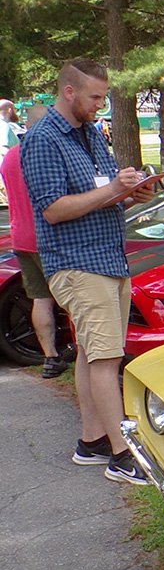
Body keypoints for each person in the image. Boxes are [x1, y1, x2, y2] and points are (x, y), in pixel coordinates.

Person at [21, 58, 156, 484]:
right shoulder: (43, 139)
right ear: (69, 92)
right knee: (106, 358)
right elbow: (53, 209)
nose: (101, 105)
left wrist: (128, 194)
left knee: (91, 353)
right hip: (77, 263)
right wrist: (113, 189)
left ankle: (92, 441)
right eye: (95, 97)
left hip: (108, 258)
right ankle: (121, 455)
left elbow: (98, 191)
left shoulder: (91, 133)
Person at [0, 104, 66, 379]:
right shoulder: (44, 153)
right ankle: (85, 353)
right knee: (72, 299)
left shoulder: (10, 156)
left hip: (21, 237)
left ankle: (50, 356)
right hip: (48, 237)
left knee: (40, 299)